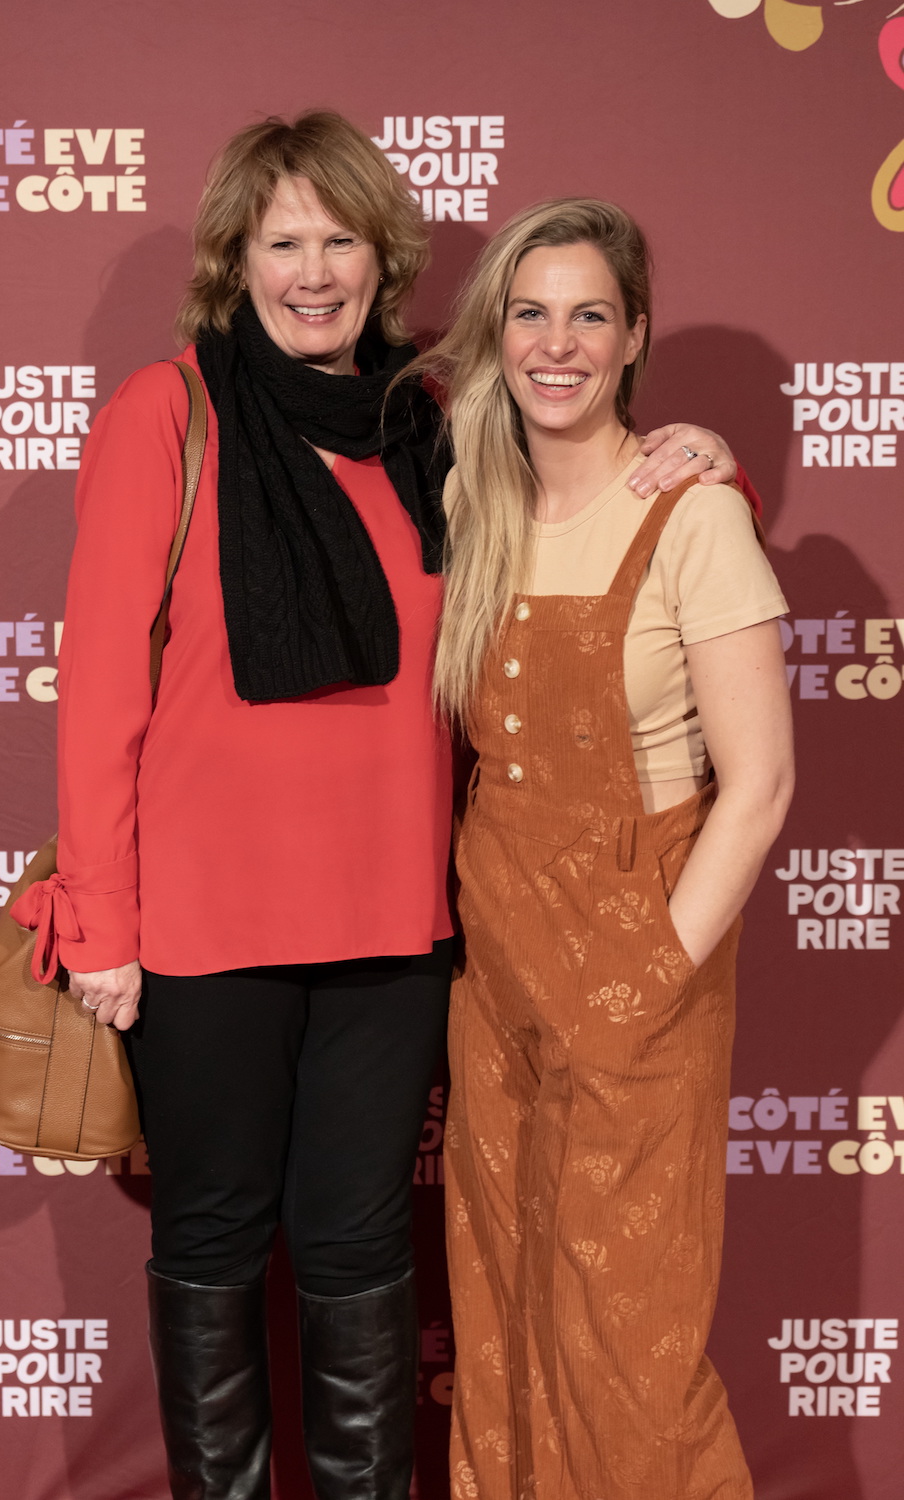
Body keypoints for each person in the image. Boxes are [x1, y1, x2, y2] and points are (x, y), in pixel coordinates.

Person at [12, 111, 743, 1500]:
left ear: (380, 256)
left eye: (339, 238)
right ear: (236, 259)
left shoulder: (432, 417)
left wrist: (705, 459)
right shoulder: (164, 414)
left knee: (355, 1249)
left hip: (393, 924)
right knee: (217, 1237)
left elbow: (599, 499)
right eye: (281, 240)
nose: (312, 269)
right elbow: (101, 685)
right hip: (207, 925)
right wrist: (101, 917)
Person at [424, 199, 794, 1500]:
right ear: (498, 333)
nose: (557, 343)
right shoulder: (470, 494)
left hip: (640, 966)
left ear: (635, 335)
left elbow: (758, 788)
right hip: (498, 974)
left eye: (590, 314)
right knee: (505, 1305)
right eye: (531, 312)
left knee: (630, 1335)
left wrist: (646, 981)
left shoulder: (696, 516)